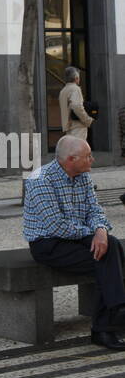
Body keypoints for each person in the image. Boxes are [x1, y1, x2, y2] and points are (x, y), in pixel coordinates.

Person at [24, 135, 125, 350]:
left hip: (79, 235)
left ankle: (115, 314)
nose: (92, 160)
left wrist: (100, 229)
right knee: (106, 260)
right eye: (88, 156)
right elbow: (56, 226)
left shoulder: (83, 175)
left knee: (112, 245)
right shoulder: (40, 179)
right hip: (49, 243)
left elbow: (94, 210)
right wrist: (95, 233)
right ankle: (106, 324)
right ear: (71, 159)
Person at [59, 66, 93, 142]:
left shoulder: (63, 91)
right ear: (76, 78)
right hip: (77, 127)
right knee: (79, 151)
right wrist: (87, 120)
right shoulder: (75, 89)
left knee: (71, 151)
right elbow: (77, 106)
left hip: (68, 127)